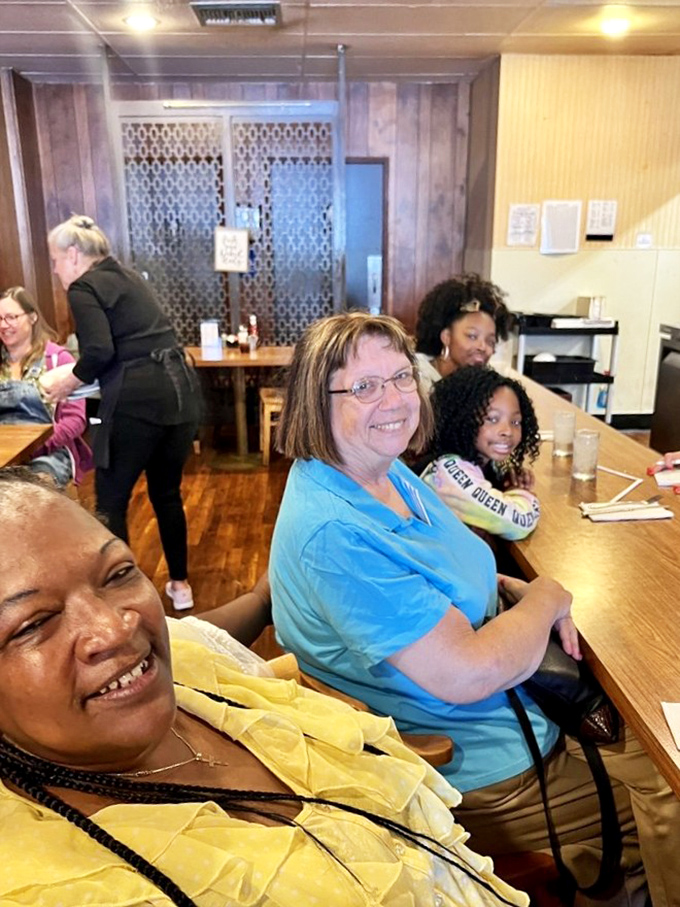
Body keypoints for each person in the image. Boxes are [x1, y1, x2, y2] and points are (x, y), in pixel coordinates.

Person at [270, 310, 680, 906]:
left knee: (653, 745)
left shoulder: (384, 475)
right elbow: (466, 673)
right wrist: (544, 598)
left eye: (401, 377)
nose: (393, 399)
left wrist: (515, 595)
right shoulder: (334, 532)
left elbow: (455, 575)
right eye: (363, 386)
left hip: (519, 707)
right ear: (317, 401)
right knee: (670, 790)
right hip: (477, 765)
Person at [0, 468, 528, 907]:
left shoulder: (192, 662)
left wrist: (272, 588)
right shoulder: (60, 882)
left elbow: (204, 628)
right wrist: (547, 596)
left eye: (116, 573)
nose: (116, 627)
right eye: (32, 624)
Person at [44, 214, 200, 611]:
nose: (57, 269)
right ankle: (180, 587)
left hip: (136, 400)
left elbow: (98, 351)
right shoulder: (127, 276)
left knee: (110, 499)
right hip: (180, 393)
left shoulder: (84, 286)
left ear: (74, 255)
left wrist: (66, 383)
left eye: (56, 260)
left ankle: (123, 596)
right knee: (167, 493)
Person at [420, 366, 541, 541]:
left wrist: (505, 479)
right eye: (492, 419)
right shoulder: (448, 472)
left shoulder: (476, 460)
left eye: (516, 421)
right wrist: (522, 494)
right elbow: (519, 523)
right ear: (462, 418)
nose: (507, 431)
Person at [0, 286, 92, 487]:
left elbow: (76, 420)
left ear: (32, 317)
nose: (4, 325)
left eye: (11, 317)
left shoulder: (59, 360)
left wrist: (36, 445)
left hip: (50, 453)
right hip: (3, 454)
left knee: (32, 491)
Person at [414, 274, 513, 393]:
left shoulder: (483, 382)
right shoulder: (417, 377)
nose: (482, 347)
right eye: (472, 336)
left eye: (490, 341)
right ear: (446, 337)